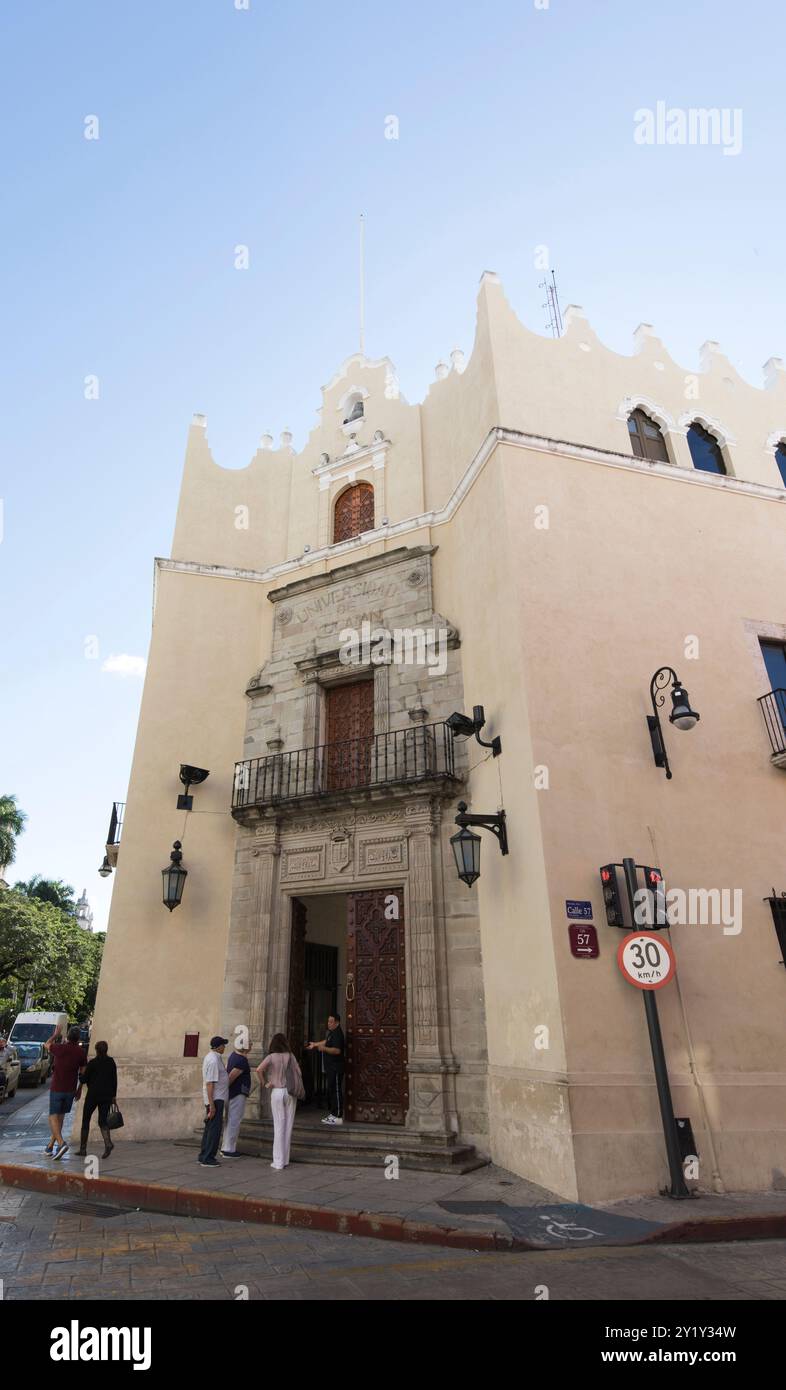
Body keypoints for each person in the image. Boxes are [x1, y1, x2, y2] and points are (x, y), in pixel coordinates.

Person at [256, 1033, 304, 1170]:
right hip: (289, 1092)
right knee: (288, 1126)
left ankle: (278, 1161)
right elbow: (299, 1073)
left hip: (277, 1091)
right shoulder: (291, 1056)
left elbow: (259, 1069)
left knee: (279, 1126)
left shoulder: (271, 1057)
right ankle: (285, 1159)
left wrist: (265, 1082)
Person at [44, 1026, 87, 1160]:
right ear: (78, 1038)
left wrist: (55, 1034)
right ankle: (50, 1146)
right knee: (60, 1117)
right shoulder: (80, 1052)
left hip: (57, 1087)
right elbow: (83, 1073)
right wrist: (79, 1089)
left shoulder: (59, 1048)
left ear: (67, 1037)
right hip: (70, 1089)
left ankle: (62, 1144)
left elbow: (46, 1044)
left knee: (52, 1116)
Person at [76, 1040, 118, 1159]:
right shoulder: (111, 1062)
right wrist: (113, 1096)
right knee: (103, 1121)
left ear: (96, 1050)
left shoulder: (93, 1063)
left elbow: (84, 1079)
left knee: (86, 1120)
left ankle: (83, 1149)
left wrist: (80, 1074)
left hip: (93, 1095)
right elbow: (114, 1080)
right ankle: (107, 1143)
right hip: (107, 1096)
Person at [306, 1012, 345, 1125]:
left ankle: (338, 1115)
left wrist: (323, 1049)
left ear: (337, 1023)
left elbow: (337, 1050)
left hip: (336, 1067)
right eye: (328, 1021)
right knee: (332, 1090)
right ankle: (333, 1114)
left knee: (336, 1090)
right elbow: (326, 1042)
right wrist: (316, 1044)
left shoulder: (338, 1034)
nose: (329, 1023)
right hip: (331, 1068)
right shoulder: (331, 1033)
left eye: (331, 1021)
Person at [198, 1035, 229, 1168]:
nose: (224, 1047)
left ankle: (204, 1156)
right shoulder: (213, 1060)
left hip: (216, 1098)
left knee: (210, 1129)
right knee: (214, 1130)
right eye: (223, 1045)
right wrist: (212, 1106)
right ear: (219, 1047)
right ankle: (208, 1158)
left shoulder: (214, 1057)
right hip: (215, 1099)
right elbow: (210, 1083)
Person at [221, 1039, 252, 1158]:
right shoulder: (241, 1060)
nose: (251, 1045)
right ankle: (229, 1149)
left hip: (232, 1093)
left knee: (230, 1120)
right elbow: (231, 1077)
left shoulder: (233, 1056)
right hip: (237, 1093)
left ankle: (225, 1147)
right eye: (250, 1043)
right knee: (234, 1120)